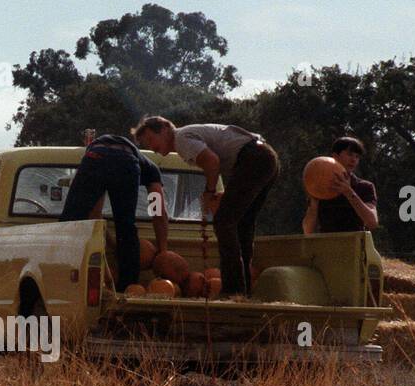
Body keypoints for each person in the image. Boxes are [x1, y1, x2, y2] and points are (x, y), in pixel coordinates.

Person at [134, 116, 279, 296]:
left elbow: (212, 162)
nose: (151, 147)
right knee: (242, 224)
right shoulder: (186, 138)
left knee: (224, 222)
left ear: (164, 128)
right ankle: (244, 290)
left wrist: (209, 192)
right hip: (265, 157)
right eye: (146, 145)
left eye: (150, 139)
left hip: (253, 159)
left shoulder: (181, 139)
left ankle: (233, 290)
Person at [58, 133, 169, 291]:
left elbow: (94, 215)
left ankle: (55, 281)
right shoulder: (152, 171)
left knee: (68, 223)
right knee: (126, 227)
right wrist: (163, 251)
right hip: (126, 161)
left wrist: (112, 246)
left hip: (95, 155)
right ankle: (127, 290)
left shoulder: (105, 154)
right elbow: (158, 210)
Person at [302, 136, 379, 234]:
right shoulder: (321, 185)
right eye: (350, 154)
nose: (353, 160)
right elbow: (308, 231)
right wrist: (314, 203)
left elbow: (372, 222)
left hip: (355, 245)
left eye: (357, 157)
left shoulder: (364, 187)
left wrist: (348, 192)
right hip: (327, 245)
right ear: (335, 156)